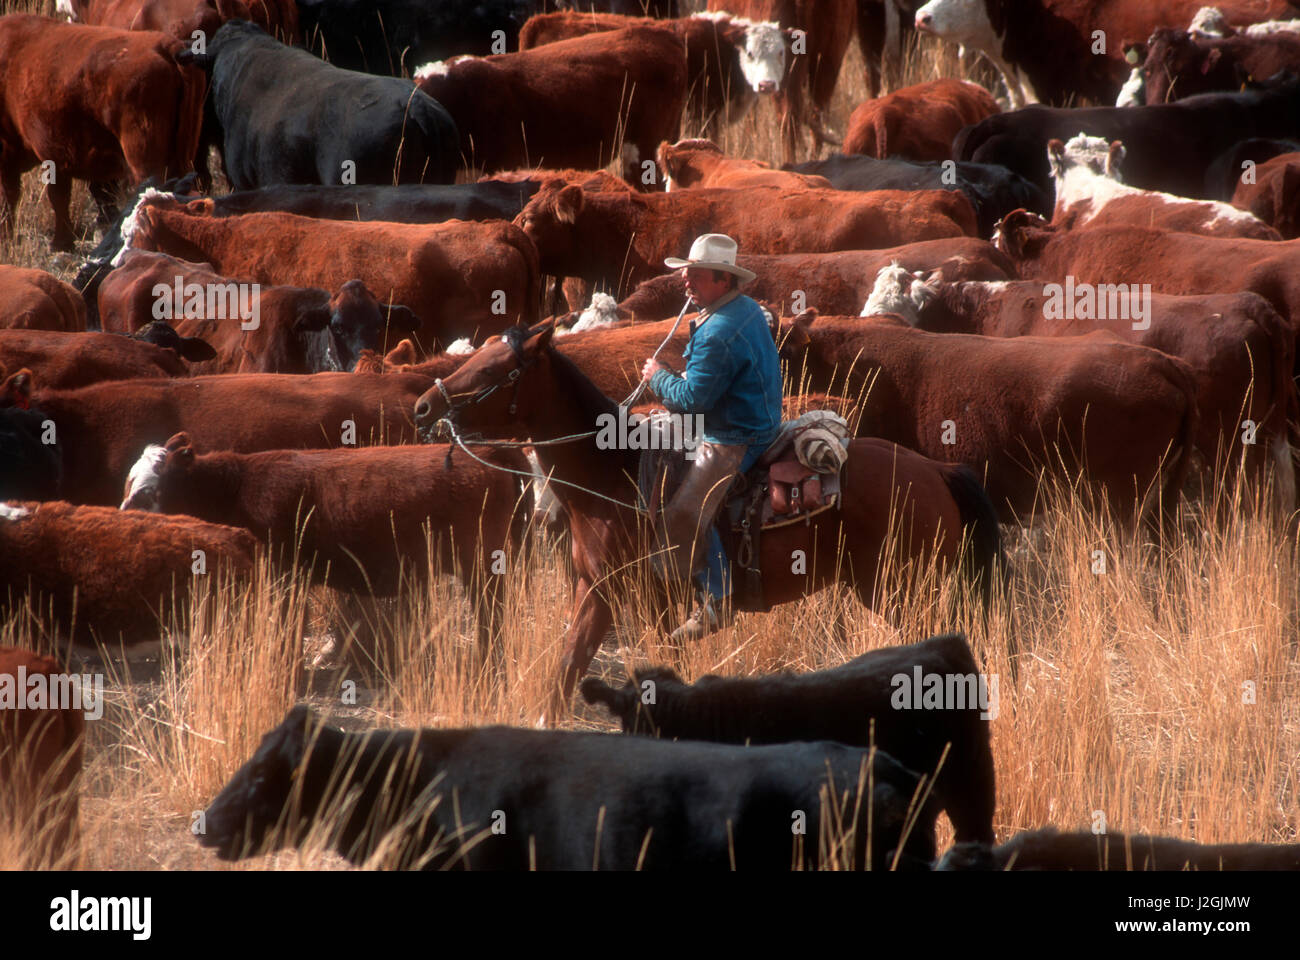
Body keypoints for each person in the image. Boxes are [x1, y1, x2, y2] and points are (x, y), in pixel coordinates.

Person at [640, 233, 783, 641]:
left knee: (685, 509)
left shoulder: (719, 329)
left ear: (724, 280)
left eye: (696, 276)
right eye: (686, 273)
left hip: (736, 434)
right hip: (753, 418)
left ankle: (717, 601)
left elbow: (691, 402)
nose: (686, 281)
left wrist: (658, 377)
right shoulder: (744, 309)